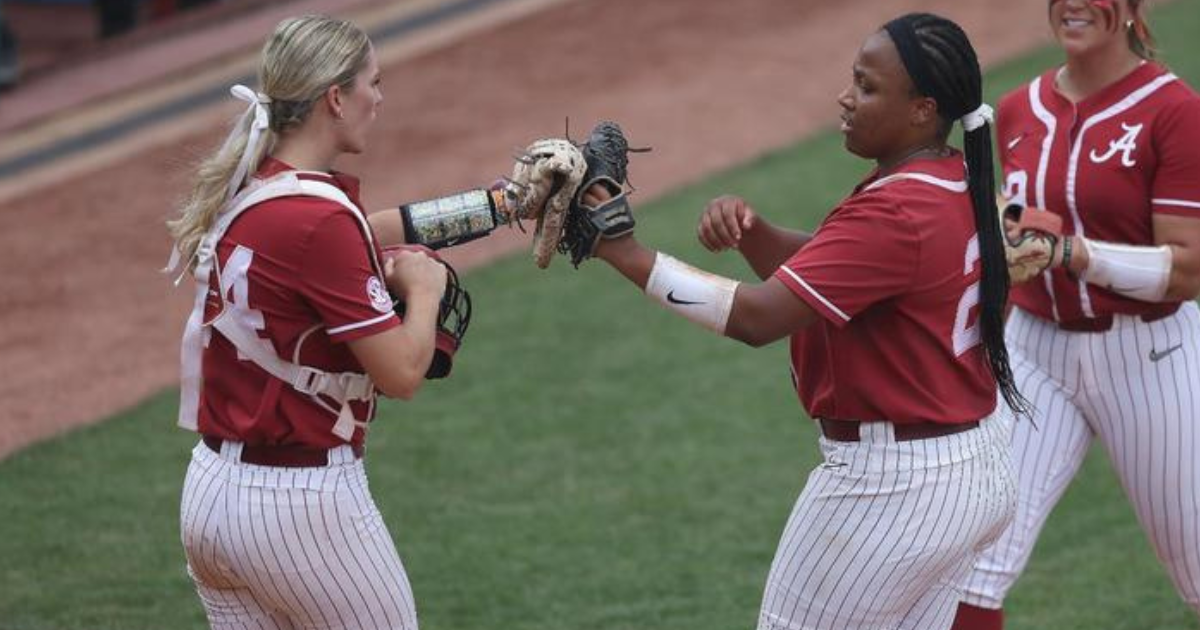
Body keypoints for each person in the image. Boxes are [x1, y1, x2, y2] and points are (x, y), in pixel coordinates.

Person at [578, 12, 1020, 630]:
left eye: (867, 87)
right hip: (972, 469)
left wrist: (621, 252)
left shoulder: (897, 208)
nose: (846, 97)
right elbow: (852, 273)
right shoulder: (950, 178)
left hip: (893, 489)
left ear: (922, 109)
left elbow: (756, 319)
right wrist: (754, 234)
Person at [167, 15, 447, 627]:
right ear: (336, 98)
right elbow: (402, 373)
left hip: (210, 492)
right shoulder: (320, 222)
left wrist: (499, 204)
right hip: (299, 507)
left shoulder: (253, 185)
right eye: (373, 82)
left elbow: (359, 232)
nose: (379, 98)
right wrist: (425, 291)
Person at [952, 0, 1200, 627]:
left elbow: (1189, 269)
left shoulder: (1175, 112)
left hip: (1149, 358)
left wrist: (1075, 253)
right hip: (1034, 354)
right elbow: (1013, 219)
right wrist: (1008, 238)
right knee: (969, 562)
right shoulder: (1017, 108)